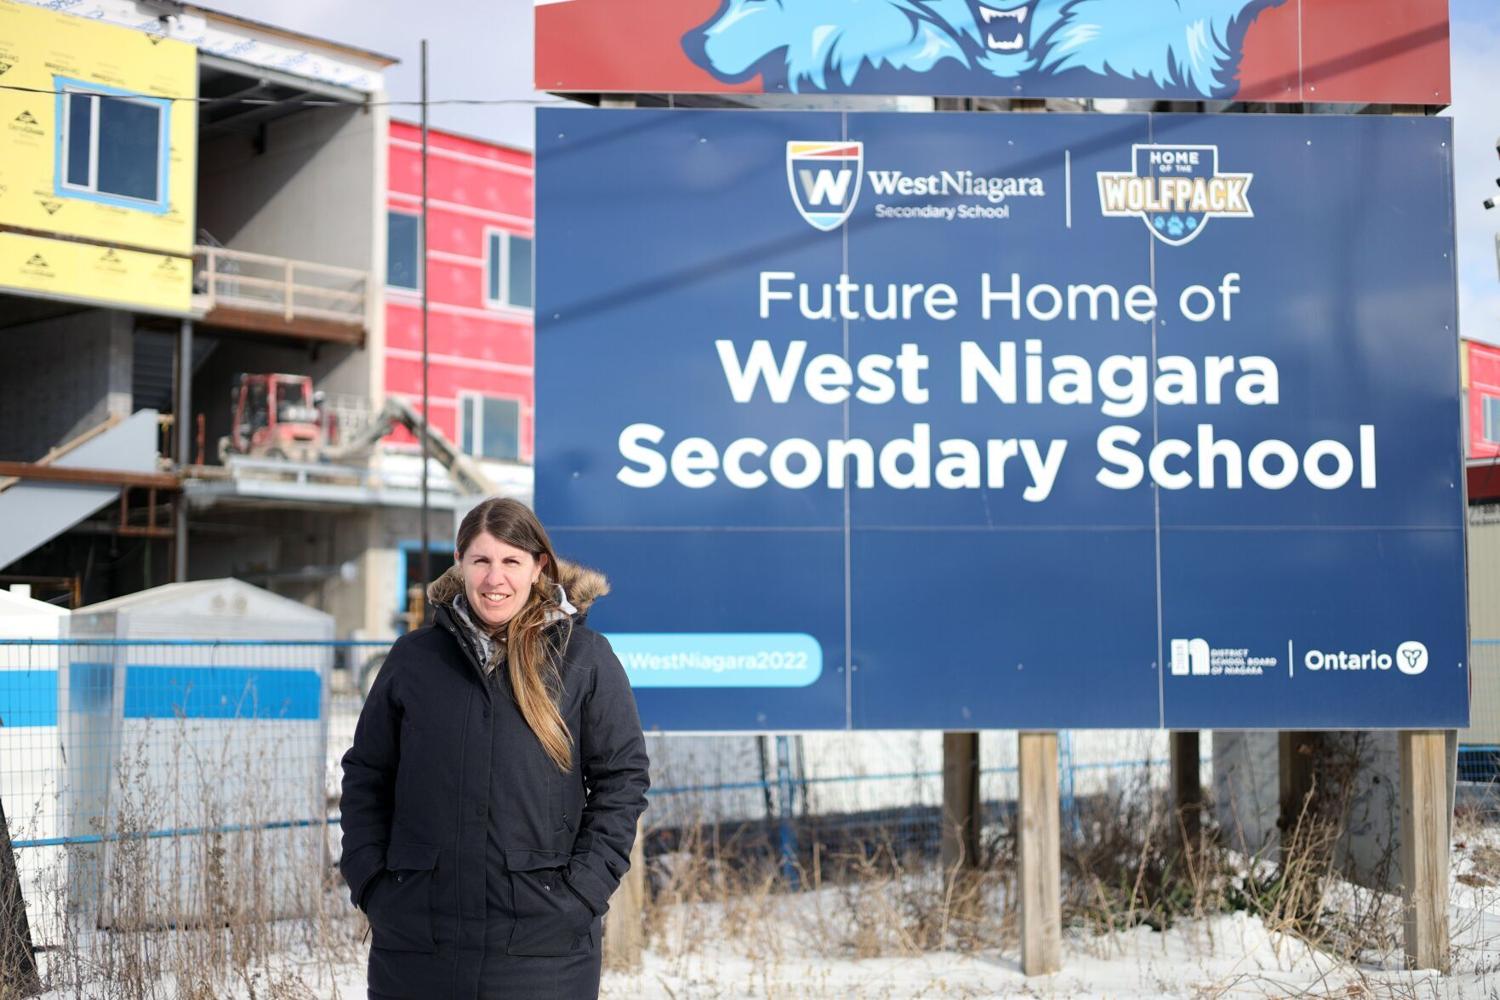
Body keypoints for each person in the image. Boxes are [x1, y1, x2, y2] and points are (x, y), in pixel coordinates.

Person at [340, 497, 650, 999]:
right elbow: (366, 774)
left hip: (542, 947)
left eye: (511, 561)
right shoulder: (414, 659)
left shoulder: (583, 659)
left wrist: (581, 893)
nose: (494, 578)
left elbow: (623, 780)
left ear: (538, 566)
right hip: (417, 943)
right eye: (481, 560)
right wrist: (372, 881)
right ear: (459, 563)